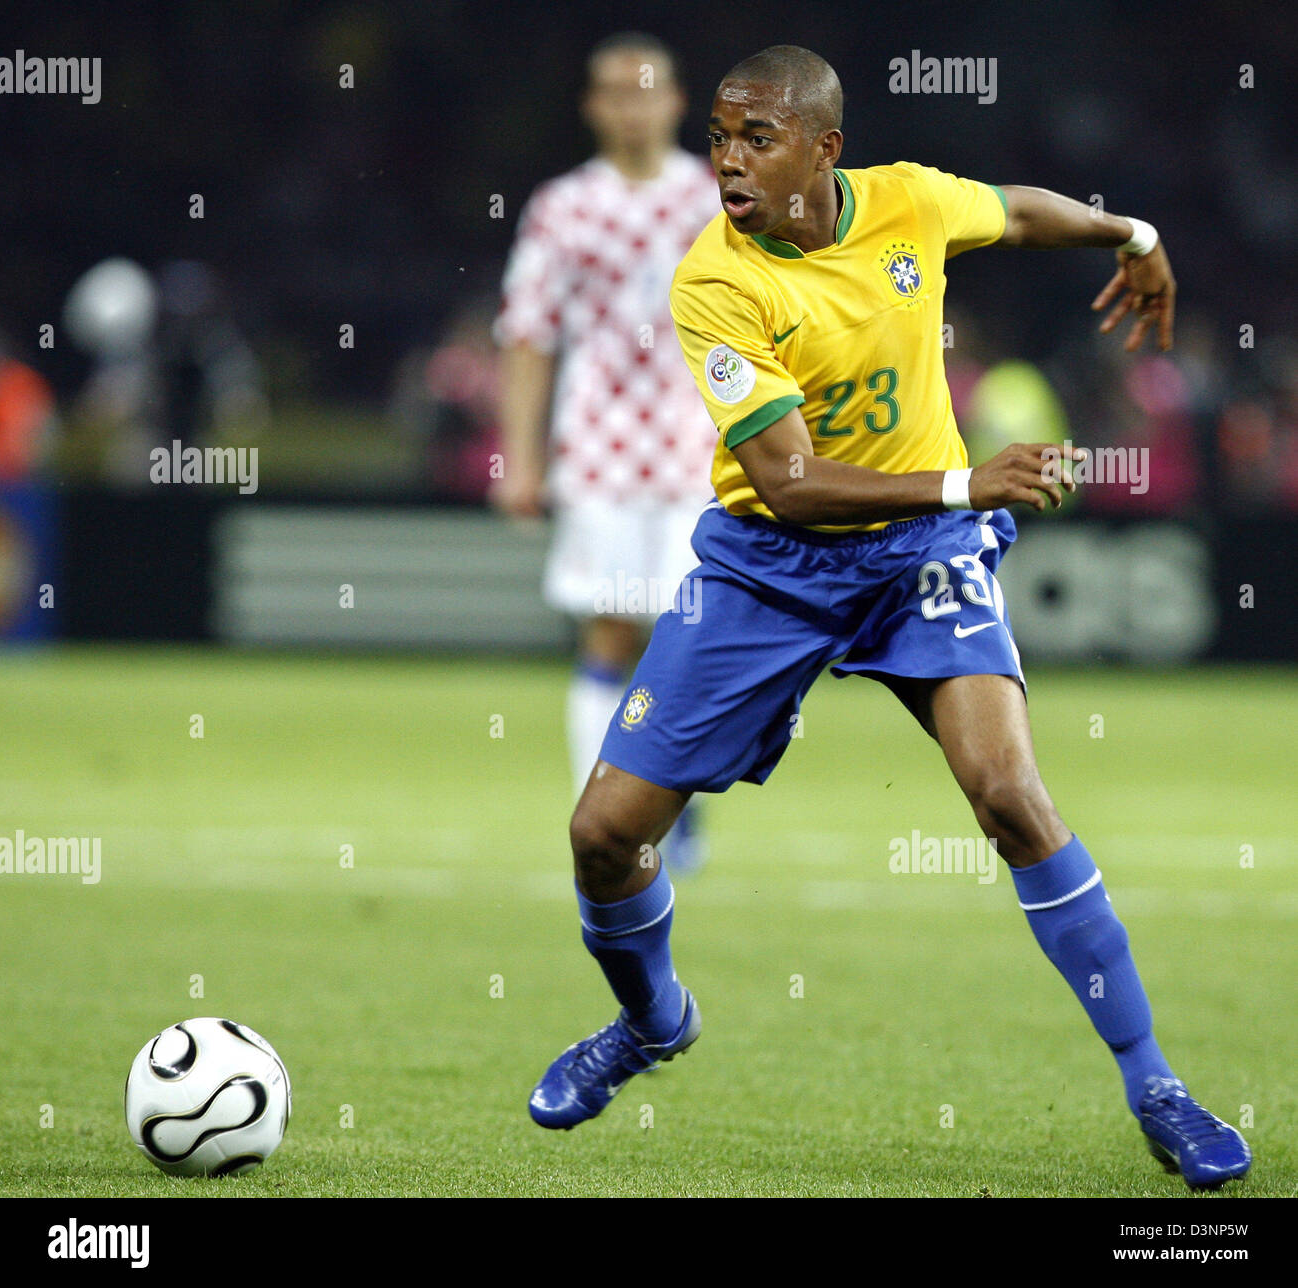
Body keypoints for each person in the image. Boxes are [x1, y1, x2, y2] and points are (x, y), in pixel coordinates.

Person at [528, 45, 1251, 1191]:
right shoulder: (715, 280)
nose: (727, 160)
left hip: (919, 559)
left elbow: (1013, 214)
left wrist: (1137, 238)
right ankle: (652, 1020)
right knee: (602, 834)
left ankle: (1155, 1082)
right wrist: (970, 483)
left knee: (1012, 797)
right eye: (718, 136)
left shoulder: (906, 201)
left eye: (755, 138)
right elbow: (791, 480)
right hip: (768, 564)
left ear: (824, 148)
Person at [492, 32, 718, 872]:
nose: (630, 105)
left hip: (702, 443)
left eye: (644, 89)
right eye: (614, 91)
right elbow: (527, 333)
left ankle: (673, 803)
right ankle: (606, 811)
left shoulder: (716, 198)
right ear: (593, 107)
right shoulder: (563, 207)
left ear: (676, 101)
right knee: (610, 630)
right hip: (598, 448)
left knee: (692, 633)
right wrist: (520, 458)